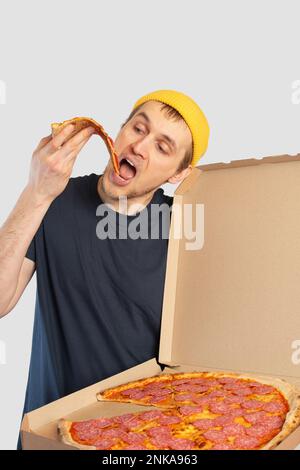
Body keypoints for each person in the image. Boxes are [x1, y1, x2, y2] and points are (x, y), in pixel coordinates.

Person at [0, 89, 209, 449]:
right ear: (120, 130)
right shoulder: (54, 200)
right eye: (138, 128)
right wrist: (36, 192)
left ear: (179, 173)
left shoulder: (185, 230)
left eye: (163, 147)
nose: (140, 147)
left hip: (141, 443)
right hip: (47, 438)